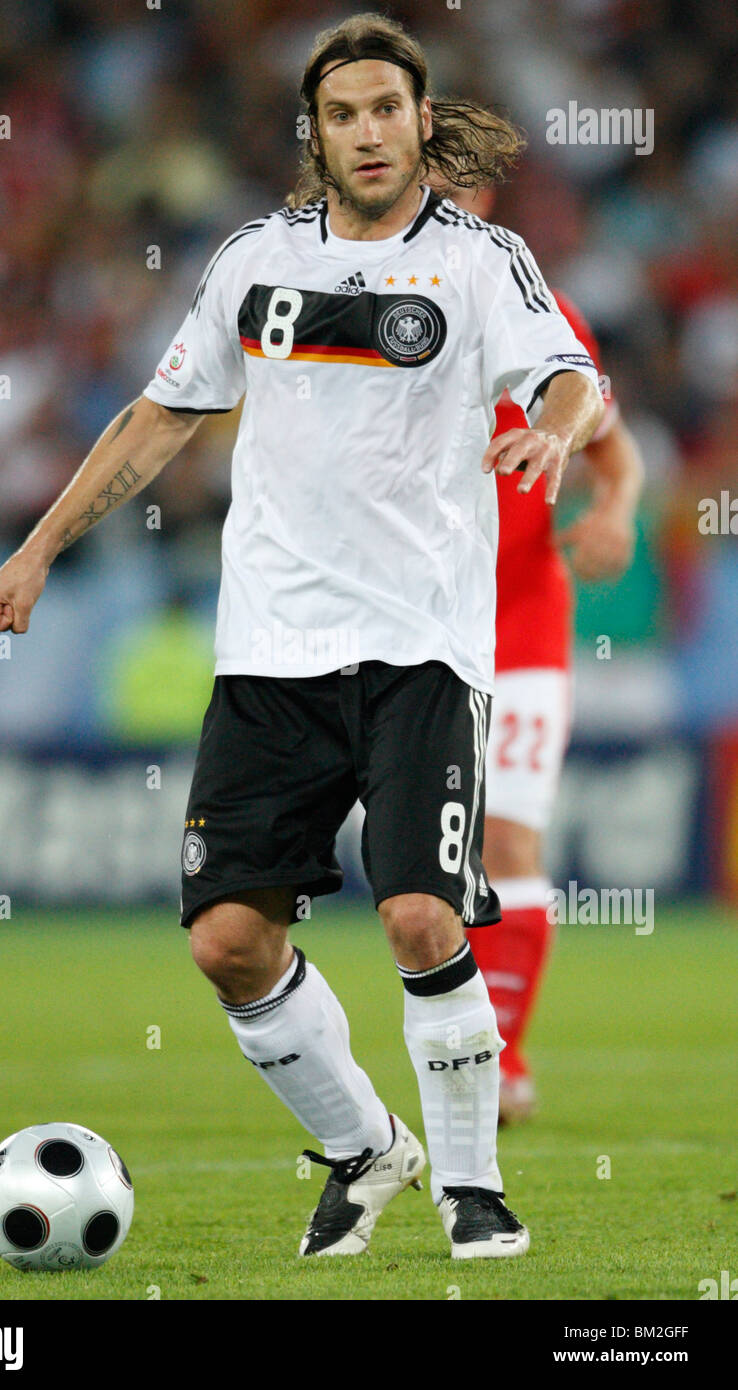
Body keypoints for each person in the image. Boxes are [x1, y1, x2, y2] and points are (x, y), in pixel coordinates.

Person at [0, 13, 604, 1260]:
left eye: (387, 108)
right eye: (342, 113)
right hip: (269, 650)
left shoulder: (482, 260)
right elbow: (160, 417)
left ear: (423, 122)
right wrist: (41, 542)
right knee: (227, 942)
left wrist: (555, 428)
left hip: (421, 643)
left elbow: (567, 375)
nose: (367, 131)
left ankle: (471, 1187)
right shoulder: (252, 262)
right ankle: (369, 1145)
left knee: (423, 915)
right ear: (312, 136)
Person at [449, 185, 644, 1123]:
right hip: (415, 633)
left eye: (458, 187)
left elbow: (614, 447)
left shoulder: (546, 320)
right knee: (428, 865)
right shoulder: (361, 311)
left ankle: (503, 1064)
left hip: (522, 626)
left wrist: (614, 510)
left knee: (508, 839)